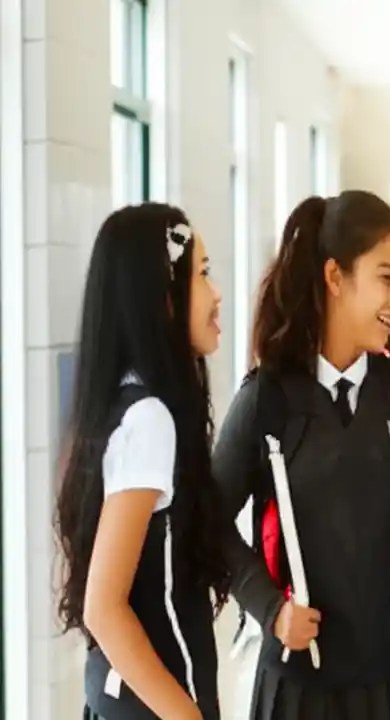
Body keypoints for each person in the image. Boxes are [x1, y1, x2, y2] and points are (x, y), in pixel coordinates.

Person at [213, 190, 390, 719]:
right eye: (385, 277)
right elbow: (206, 520)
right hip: (299, 691)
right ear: (335, 277)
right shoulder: (268, 397)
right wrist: (270, 608)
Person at [56, 204, 229, 719]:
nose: (216, 293)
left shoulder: (116, 407)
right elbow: (104, 608)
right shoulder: (150, 419)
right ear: (163, 300)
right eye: (201, 274)